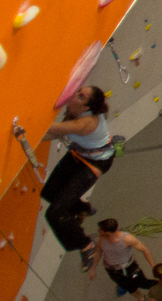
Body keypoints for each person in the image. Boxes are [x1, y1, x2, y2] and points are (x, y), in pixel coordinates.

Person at [41, 86, 115, 257]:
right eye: (79, 91)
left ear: (86, 108)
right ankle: (82, 208)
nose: (74, 95)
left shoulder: (85, 122)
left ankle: (86, 245)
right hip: (81, 152)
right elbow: (52, 135)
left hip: (96, 162)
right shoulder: (75, 111)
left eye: (80, 96)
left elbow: (53, 130)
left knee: (54, 213)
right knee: (49, 192)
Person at [89, 218, 158, 301]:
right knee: (129, 287)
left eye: (100, 229)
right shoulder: (102, 237)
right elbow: (99, 252)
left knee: (143, 283)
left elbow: (144, 250)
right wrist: (93, 269)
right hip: (113, 270)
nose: (98, 231)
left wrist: (153, 265)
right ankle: (141, 299)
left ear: (108, 232)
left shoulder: (127, 239)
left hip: (130, 268)